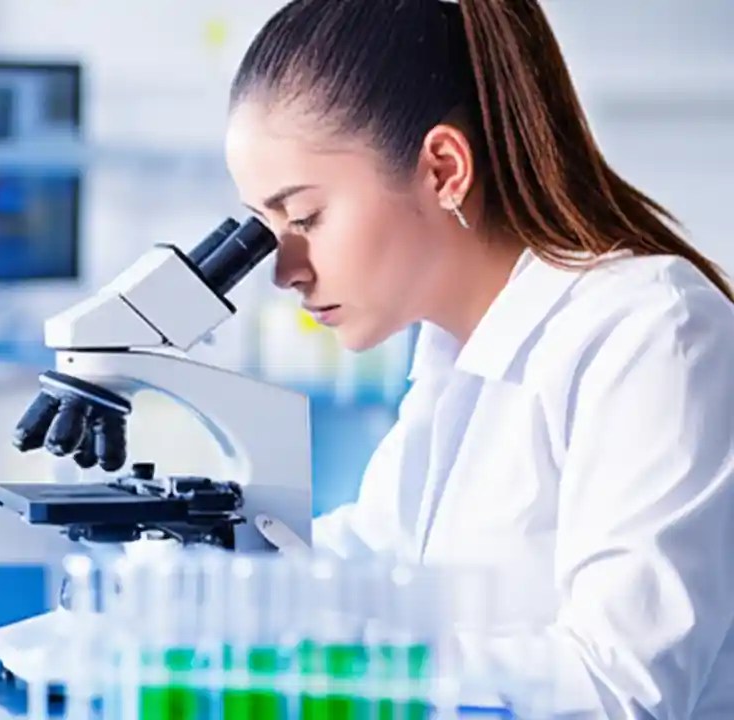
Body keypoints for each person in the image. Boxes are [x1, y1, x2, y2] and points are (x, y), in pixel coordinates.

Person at [226, 0, 734, 717]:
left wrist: (334, 653)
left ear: (442, 168)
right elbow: (373, 565)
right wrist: (213, 557)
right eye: (267, 228)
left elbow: (621, 688)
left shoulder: (654, 334)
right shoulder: (454, 356)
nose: (285, 271)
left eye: (304, 218)